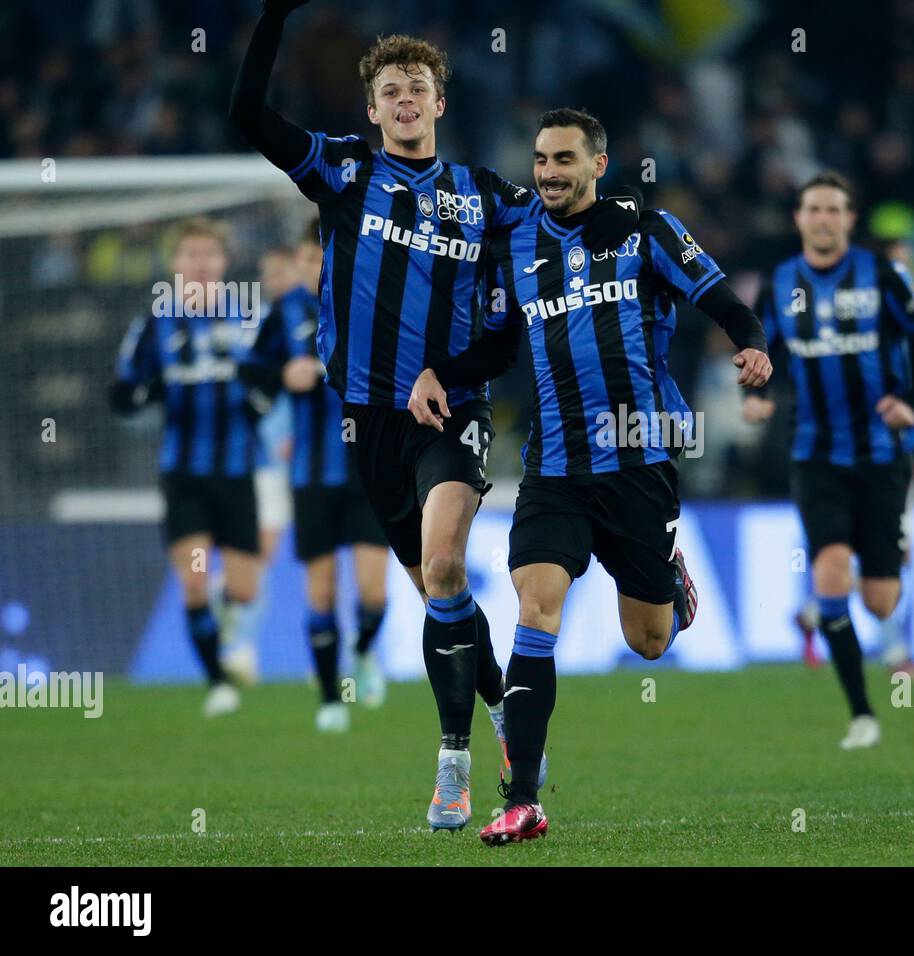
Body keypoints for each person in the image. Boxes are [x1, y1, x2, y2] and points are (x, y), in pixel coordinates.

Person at [228, 0, 632, 829]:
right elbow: (244, 115)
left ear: (440, 104)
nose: (406, 99)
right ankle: (499, 713)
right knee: (438, 595)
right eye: (390, 90)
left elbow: (569, 212)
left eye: (419, 86)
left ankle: (452, 767)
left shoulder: (484, 195)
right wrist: (274, 17)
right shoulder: (342, 170)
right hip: (368, 422)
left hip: (453, 409)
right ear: (372, 109)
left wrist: (627, 217)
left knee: (446, 567)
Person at [419, 108, 771, 844]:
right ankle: (522, 799)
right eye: (541, 159)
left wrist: (751, 345)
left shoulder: (647, 231)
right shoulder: (516, 240)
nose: (547, 172)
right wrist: (439, 373)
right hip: (554, 468)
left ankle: (668, 579)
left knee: (648, 641)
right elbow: (500, 344)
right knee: (535, 608)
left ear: (598, 164)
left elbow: (718, 295)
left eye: (564, 160)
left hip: (639, 460)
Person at [742, 171, 914, 750]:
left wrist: (911, 402)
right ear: (799, 219)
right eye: (813, 209)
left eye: (834, 209)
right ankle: (862, 713)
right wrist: (755, 396)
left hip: (884, 454)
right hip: (816, 454)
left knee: (881, 597)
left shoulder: (882, 275)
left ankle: (825, 620)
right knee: (831, 569)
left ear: (849, 220)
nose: (823, 218)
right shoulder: (780, 281)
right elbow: (762, 347)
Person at [109, 217, 265, 718]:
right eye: (190, 255)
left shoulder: (250, 318)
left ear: (222, 264)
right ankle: (219, 682)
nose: (199, 264)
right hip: (185, 479)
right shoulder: (155, 323)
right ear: (175, 265)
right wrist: (143, 392)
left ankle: (225, 612)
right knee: (194, 579)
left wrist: (264, 391)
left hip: (238, 475)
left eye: (208, 255)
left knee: (242, 590)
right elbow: (122, 394)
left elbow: (277, 381)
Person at [241, 221, 390, 732]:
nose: (312, 268)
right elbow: (251, 376)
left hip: (368, 469)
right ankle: (330, 699)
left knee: (375, 593)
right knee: (321, 590)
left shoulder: (368, 304)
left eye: (319, 258)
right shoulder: (285, 314)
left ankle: (364, 651)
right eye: (305, 259)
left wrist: (323, 372)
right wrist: (280, 378)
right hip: (310, 474)